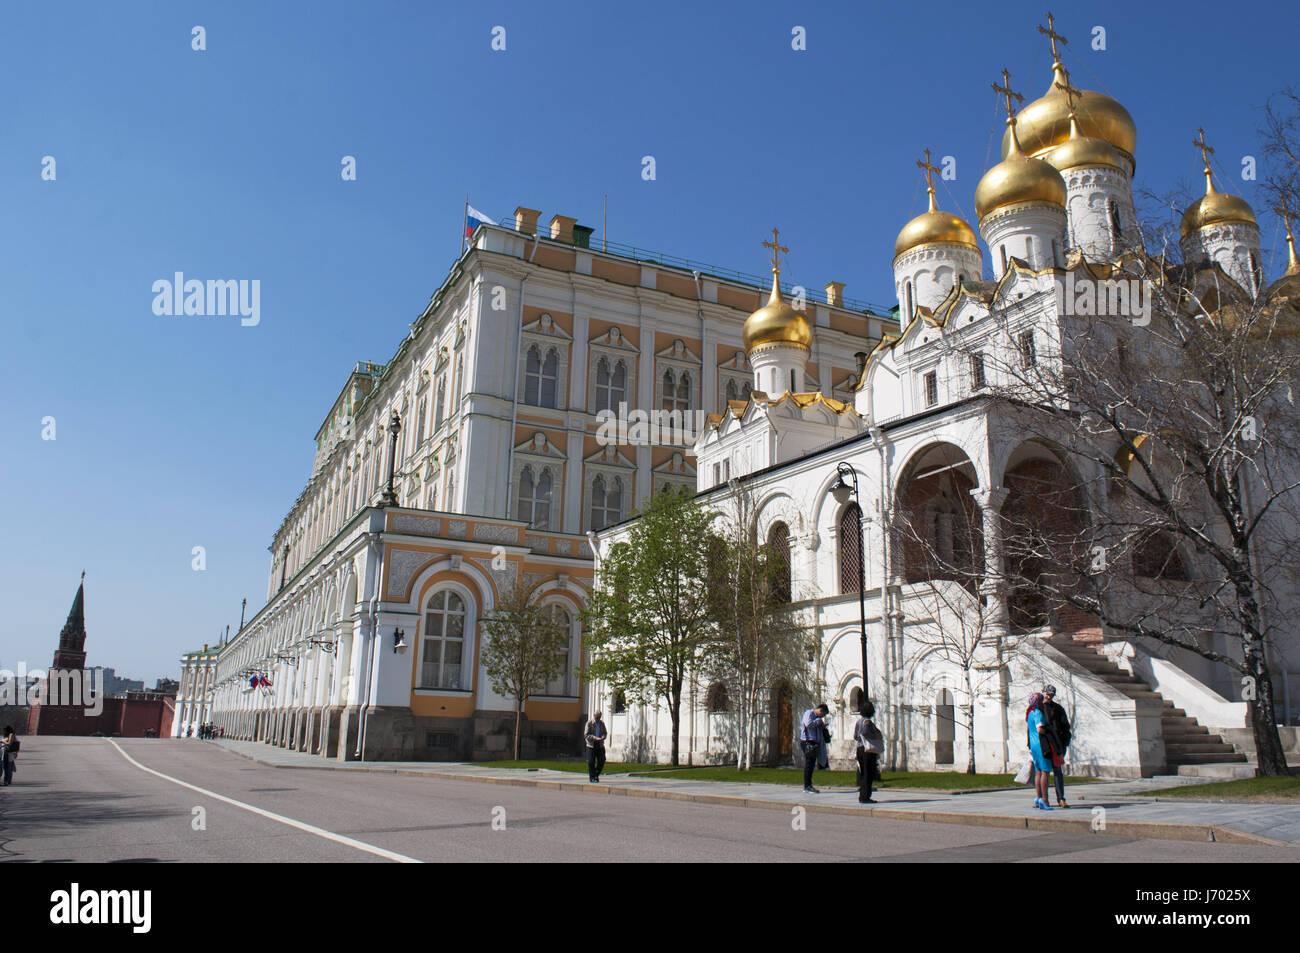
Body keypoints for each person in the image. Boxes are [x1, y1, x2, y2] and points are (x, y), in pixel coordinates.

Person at [1043, 685, 1072, 808]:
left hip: (1057, 744)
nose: (1049, 696)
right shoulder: (1038, 708)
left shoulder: (1058, 708)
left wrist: (1064, 743)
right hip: (1044, 744)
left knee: (1057, 771)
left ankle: (1061, 798)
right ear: (1043, 692)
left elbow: (1065, 727)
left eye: (1051, 695)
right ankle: (1043, 799)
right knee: (1043, 772)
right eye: (1047, 694)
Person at [1026, 693, 1055, 810]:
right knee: (1045, 772)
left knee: (1038, 771)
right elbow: (1040, 729)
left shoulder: (1030, 714)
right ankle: (1045, 799)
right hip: (1041, 744)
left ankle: (1038, 798)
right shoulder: (1038, 713)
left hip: (1033, 745)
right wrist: (1050, 732)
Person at [853, 702, 884, 803]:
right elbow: (865, 733)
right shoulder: (867, 722)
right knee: (868, 773)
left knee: (863, 772)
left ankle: (863, 795)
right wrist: (875, 734)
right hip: (867, 750)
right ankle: (865, 796)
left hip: (860, 748)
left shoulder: (858, 722)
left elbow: (855, 736)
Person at [800, 703, 831, 793]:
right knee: (809, 764)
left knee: (812, 764)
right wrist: (818, 721)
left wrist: (822, 727)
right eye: (823, 714)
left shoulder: (817, 719)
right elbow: (808, 724)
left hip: (814, 742)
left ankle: (809, 785)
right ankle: (807, 786)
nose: (822, 716)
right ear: (821, 710)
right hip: (807, 742)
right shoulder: (809, 713)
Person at [584, 711, 608, 783]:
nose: (598, 719)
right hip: (591, 745)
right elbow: (586, 735)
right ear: (594, 716)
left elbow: (604, 732)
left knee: (602, 760)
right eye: (597, 717)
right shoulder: (589, 723)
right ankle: (592, 777)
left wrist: (603, 736)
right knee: (591, 762)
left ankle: (596, 774)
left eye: (599, 717)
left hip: (600, 744)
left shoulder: (601, 723)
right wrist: (594, 738)